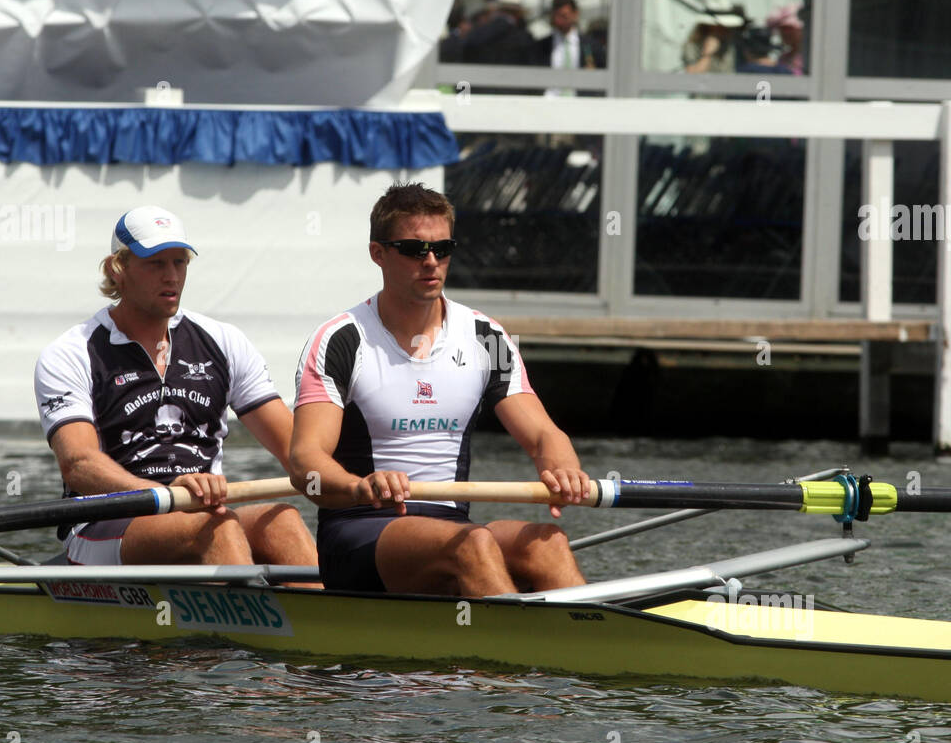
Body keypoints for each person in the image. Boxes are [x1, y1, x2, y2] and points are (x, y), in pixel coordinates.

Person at [289, 183, 590, 597]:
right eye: (414, 249)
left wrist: (563, 470)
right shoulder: (340, 340)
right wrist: (359, 486)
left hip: (452, 528)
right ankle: (514, 636)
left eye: (443, 248)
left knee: (548, 543)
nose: (431, 261)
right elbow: (305, 462)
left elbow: (543, 435)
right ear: (378, 253)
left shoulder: (486, 336)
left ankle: (594, 634)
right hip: (360, 528)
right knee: (473, 543)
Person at [34, 205, 317, 571]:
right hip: (105, 522)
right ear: (116, 269)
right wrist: (164, 496)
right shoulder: (71, 353)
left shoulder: (223, 342)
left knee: (283, 521)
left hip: (203, 515)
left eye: (179, 262)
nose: (171, 276)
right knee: (216, 529)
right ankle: (242, 604)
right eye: (155, 264)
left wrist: (360, 482)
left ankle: (321, 606)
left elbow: (298, 451)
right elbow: (79, 465)